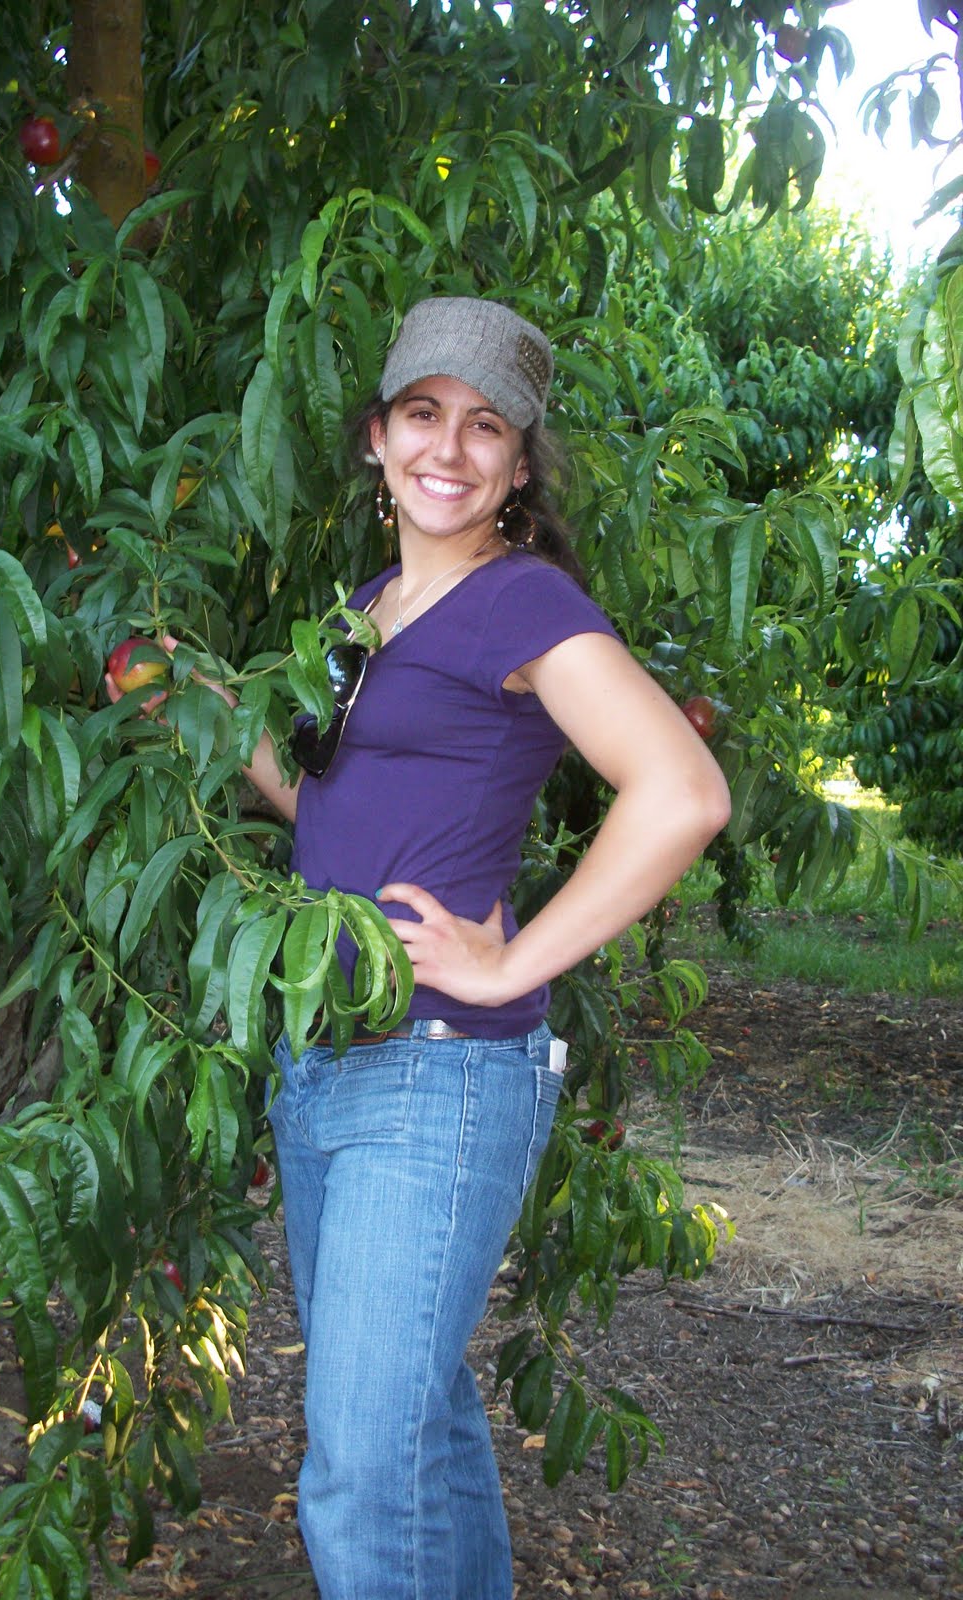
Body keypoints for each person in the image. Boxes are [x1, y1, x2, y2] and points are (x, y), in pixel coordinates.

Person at [111, 296, 731, 1599]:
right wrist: (215, 709)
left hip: (439, 1072)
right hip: (327, 1066)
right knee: (421, 1421)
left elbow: (680, 790)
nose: (449, 447)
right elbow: (331, 799)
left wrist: (514, 964)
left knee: (362, 1465)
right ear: (377, 440)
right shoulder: (369, 607)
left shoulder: (523, 604)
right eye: (423, 414)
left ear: (517, 464)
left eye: (484, 425)